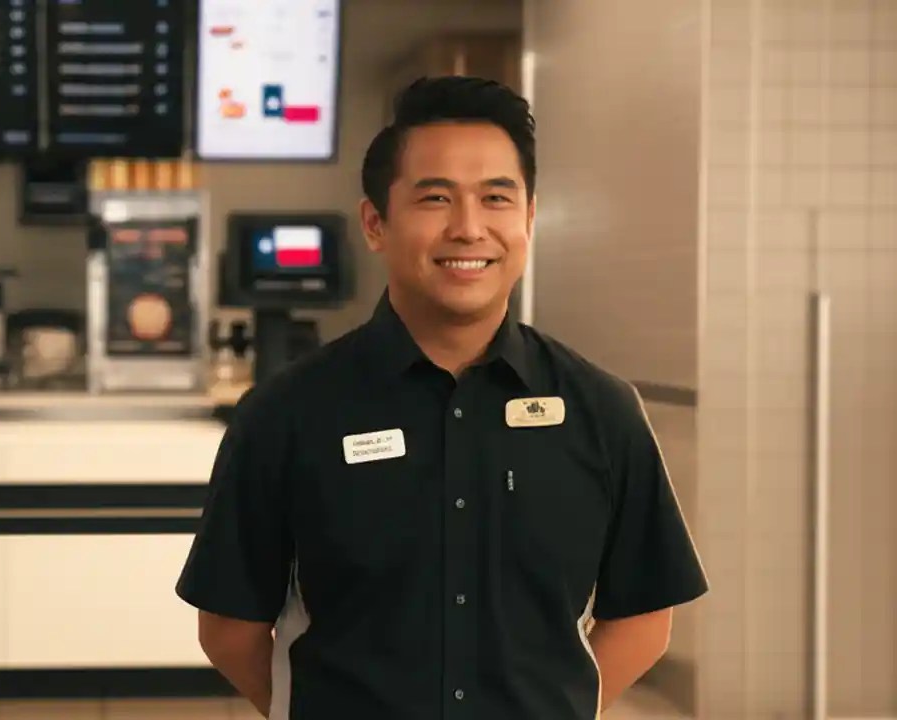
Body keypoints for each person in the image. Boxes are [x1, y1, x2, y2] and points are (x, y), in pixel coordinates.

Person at [175, 75, 709, 720]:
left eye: (496, 198)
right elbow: (229, 628)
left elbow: (645, 617)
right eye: (435, 198)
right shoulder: (286, 414)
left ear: (530, 218)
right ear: (376, 222)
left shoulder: (602, 410)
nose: (469, 228)